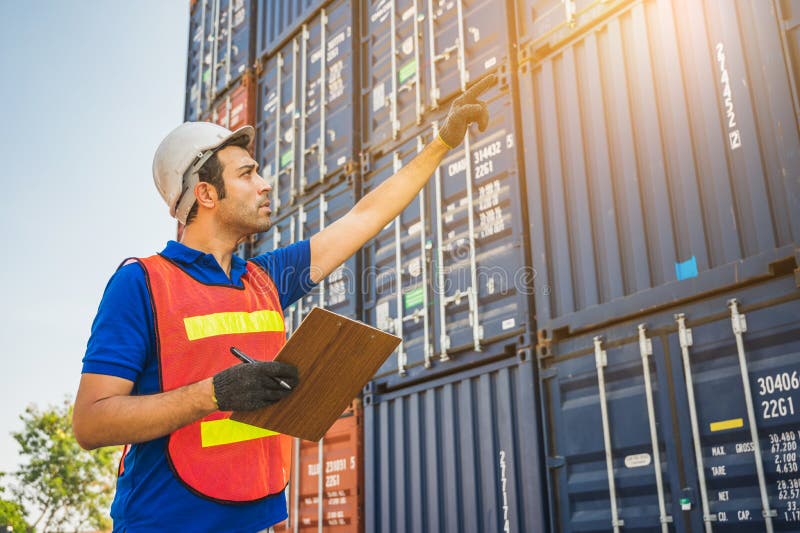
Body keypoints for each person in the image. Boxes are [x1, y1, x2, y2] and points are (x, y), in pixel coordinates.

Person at [72, 74, 496, 532]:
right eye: (247, 174)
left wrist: (441, 142)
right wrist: (213, 394)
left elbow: (365, 217)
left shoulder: (266, 279)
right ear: (206, 193)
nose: (265, 184)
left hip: (262, 519)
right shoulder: (141, 283)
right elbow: (91, 423)